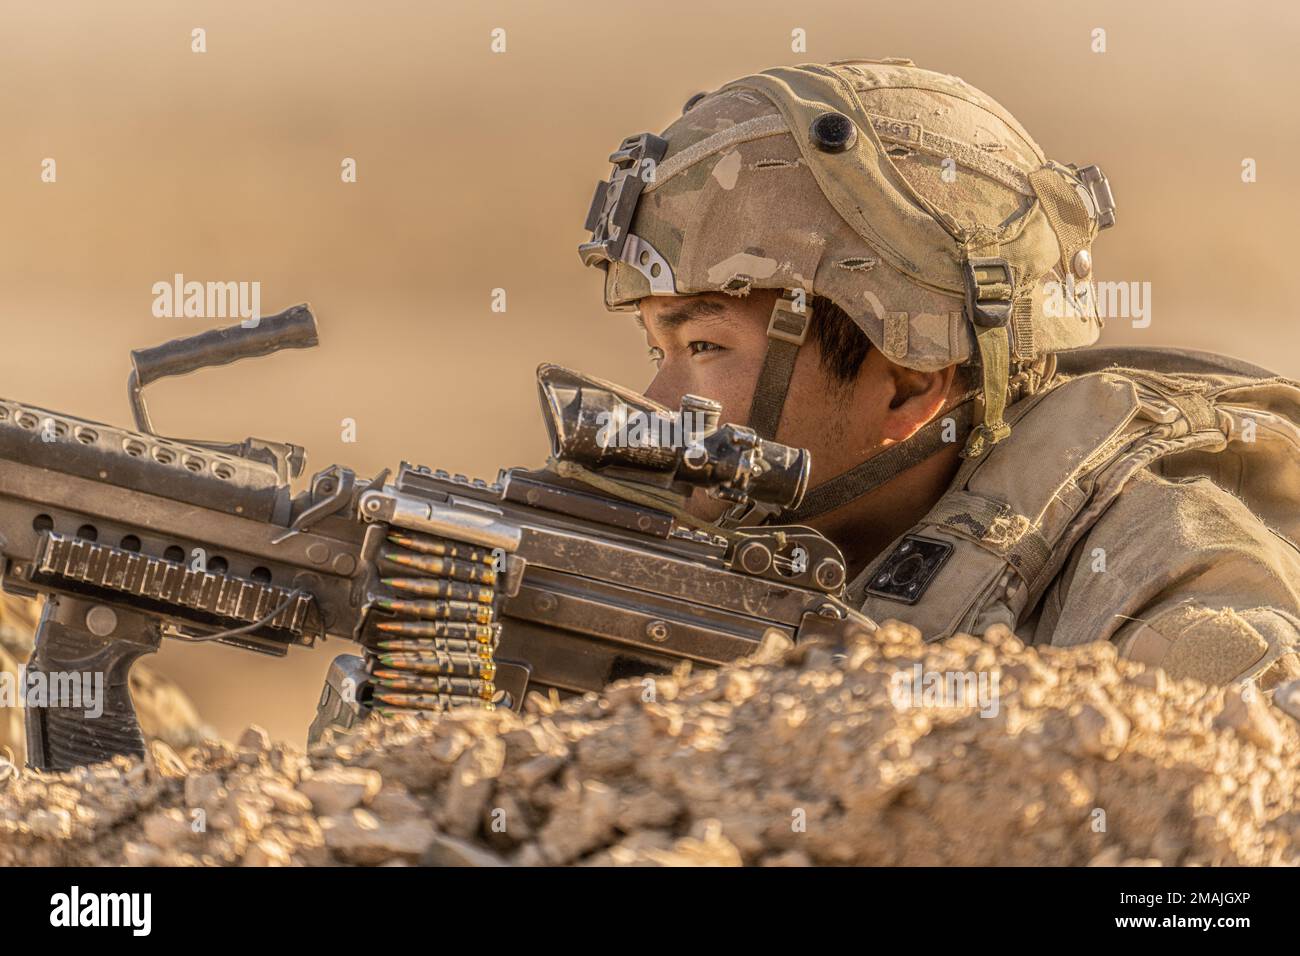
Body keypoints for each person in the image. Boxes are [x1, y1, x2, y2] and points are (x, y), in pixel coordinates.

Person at [577, 58, 1300, 692]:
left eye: (704, 347)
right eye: (657, 352)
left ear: (909, 384)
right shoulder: (782, 545)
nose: (656, 406)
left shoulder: (1172, 596)